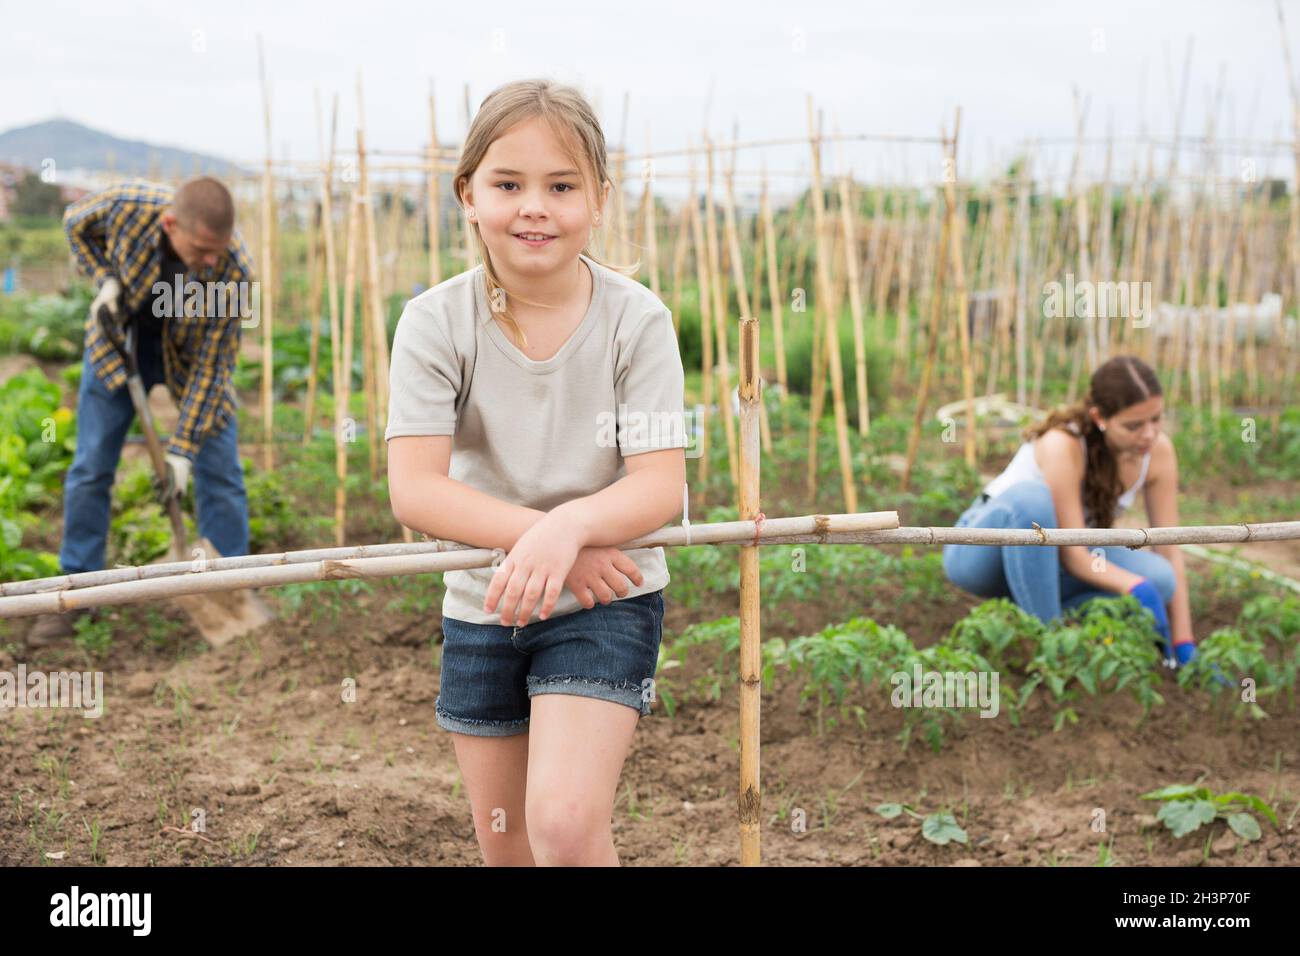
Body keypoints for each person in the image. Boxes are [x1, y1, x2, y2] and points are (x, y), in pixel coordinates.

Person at [384, 79, 688, 866]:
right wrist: (546, 540)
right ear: (468, 196)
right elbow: (414, 489)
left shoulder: (637, 321)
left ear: (599, 199)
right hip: (486, 598)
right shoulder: (434, 322)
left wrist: (572, 531)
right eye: (508, 184)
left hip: (606, 593)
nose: (535, 207)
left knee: (563, 821)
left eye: (561, 186)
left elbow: (659, 485)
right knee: (508, 841)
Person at [26, 177, 255, 646]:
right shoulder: (128, 207)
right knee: (91, 466)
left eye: (219, 249)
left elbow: (214, 371)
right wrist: (104, 279)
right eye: (202, 248)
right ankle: (78, 592)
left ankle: (231, 586)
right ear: (170, 224)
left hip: (189, 358)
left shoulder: (233, 272)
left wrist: (181, 453)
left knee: (221, 469)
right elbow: (75, 223)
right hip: (120, 339)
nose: (211, 260)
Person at [943, 355, 1199, 669]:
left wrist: (1184, 642)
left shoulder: (1158, 453)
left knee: (1161, 578)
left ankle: (1039, 612)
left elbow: (1169, 549)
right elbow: (1075, 554)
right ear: (1100, 417)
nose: (1149, 433)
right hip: (979, 554)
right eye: (1134, 425)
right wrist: (1134, 588)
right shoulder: (1063, 443)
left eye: (1156, 419)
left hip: (1052, 561)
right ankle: (1051, 652)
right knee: (1033, 502)